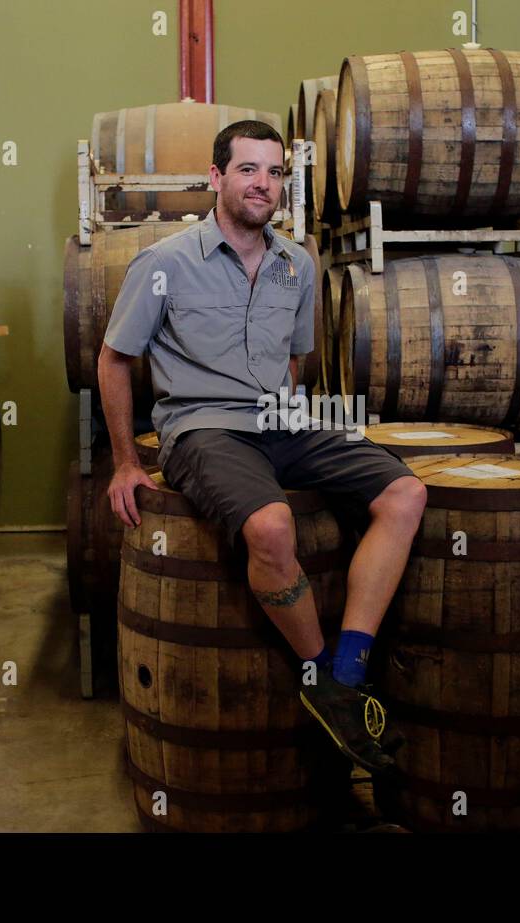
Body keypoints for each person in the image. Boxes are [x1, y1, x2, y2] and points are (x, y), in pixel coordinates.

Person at [97, 120, 426, 774]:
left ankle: (347, 668)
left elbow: (296, 361)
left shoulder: (296, 263)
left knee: (405, 491)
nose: (263, 184)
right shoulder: (165, 263)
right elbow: (113, 360)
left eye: (274, 172)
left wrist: (287, 419)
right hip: (201, 428)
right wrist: (127, 462)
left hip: (282, 418)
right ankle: (319, 681)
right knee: (271, 526)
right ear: (217, 178)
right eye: (248, 170)